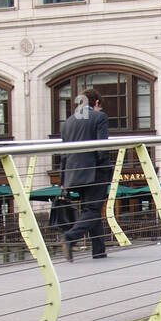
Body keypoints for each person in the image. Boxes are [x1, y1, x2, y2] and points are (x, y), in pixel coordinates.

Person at [59, 88, 112, 261]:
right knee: (93, 209)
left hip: (73, 172)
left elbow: (63, 153)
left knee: (90, 208)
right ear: (96, 103)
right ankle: (70, 237)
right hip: (95, 171)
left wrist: (62, 179)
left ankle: (99, 250)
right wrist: (106, 169)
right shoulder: (100, 117)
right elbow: (102, 148)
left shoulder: (67, 122)